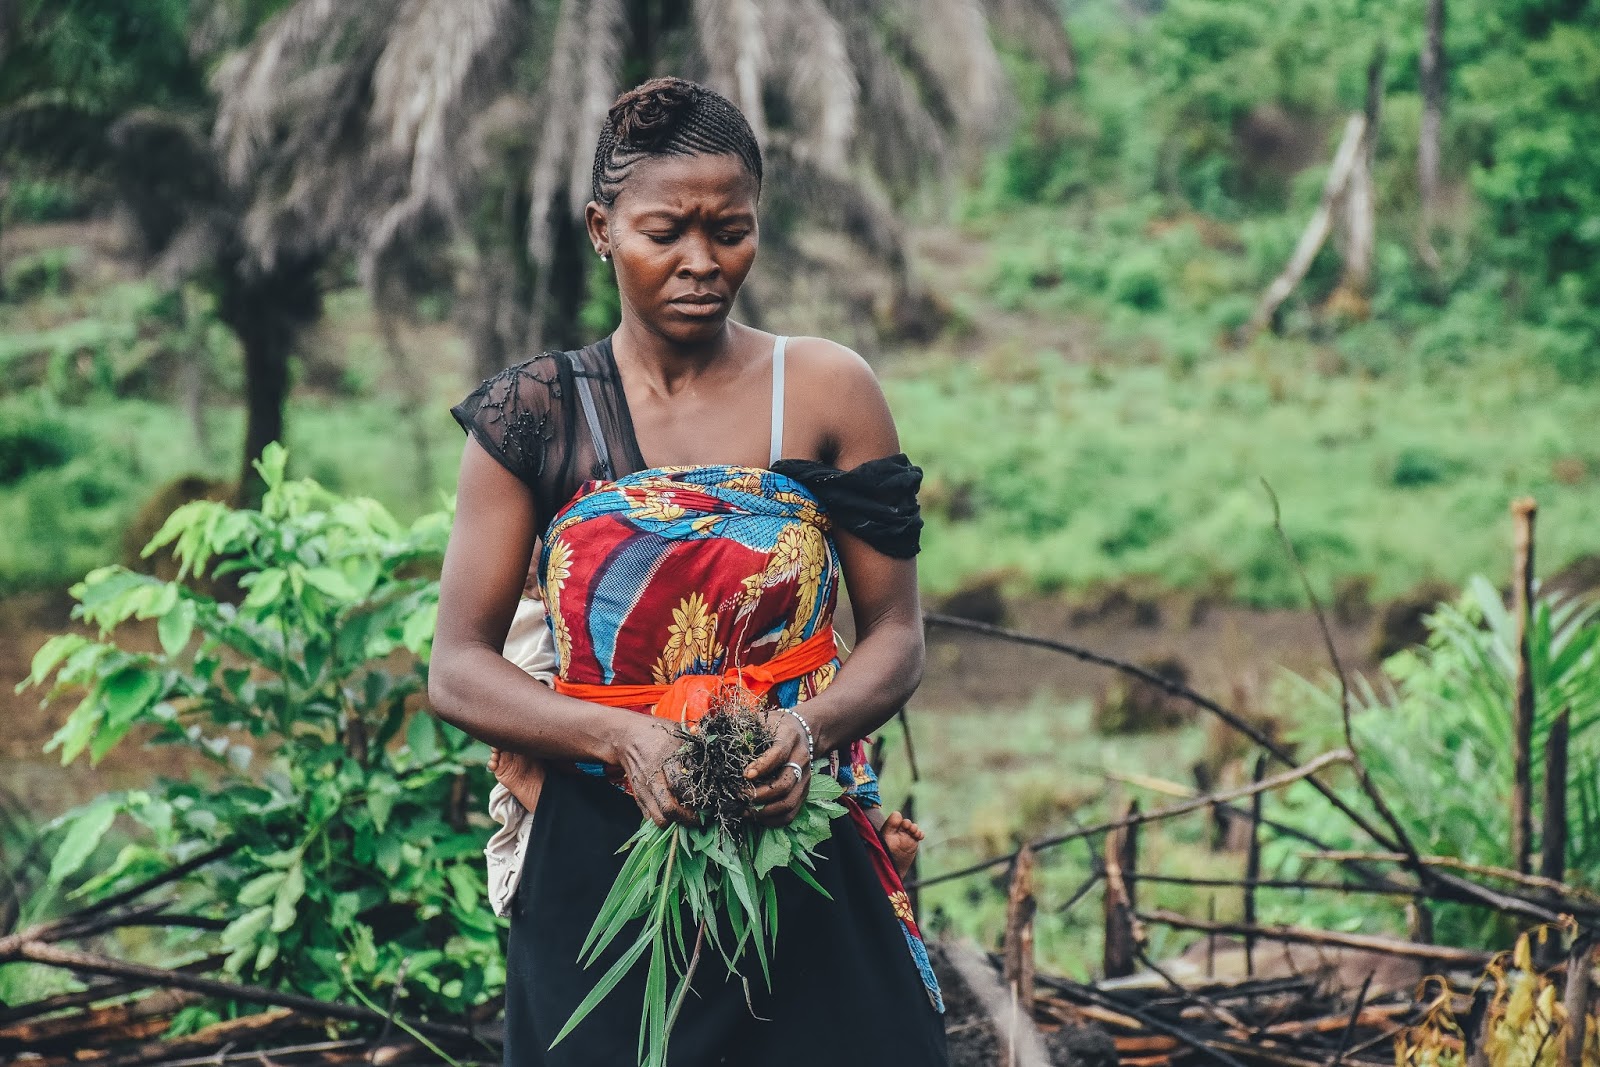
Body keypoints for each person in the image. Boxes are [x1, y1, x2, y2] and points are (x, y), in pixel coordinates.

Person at [430, 76, 946, 1065]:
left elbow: (896, 634)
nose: (702, 261)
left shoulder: (826, 391)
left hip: (797, 830)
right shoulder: (534, 415)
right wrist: (621, 737)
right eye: (665, 231)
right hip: (599, 863)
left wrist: (804, 733)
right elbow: (456, 667)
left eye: (731, 230)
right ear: (602, 229)